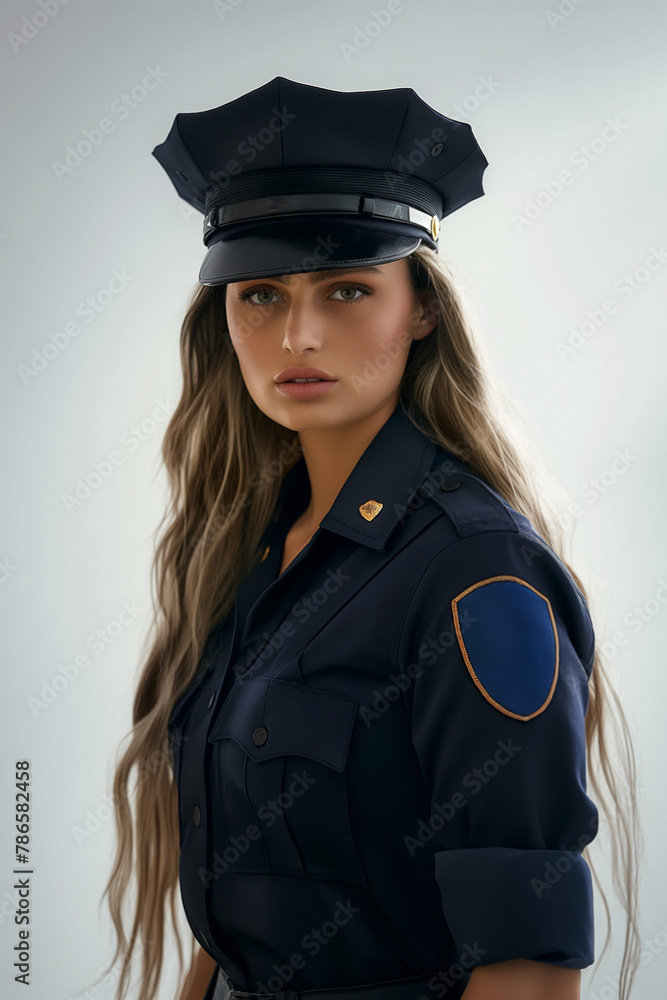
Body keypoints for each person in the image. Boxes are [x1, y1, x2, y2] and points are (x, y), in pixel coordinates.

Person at [102, 77, 641, 1000]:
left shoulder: (476, 570)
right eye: (260, 294)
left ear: (420, 310)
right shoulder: (251, 556)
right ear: (222, 319)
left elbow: (526, 966)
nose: (297, 336)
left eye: (347, 289)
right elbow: (246, 921)